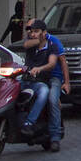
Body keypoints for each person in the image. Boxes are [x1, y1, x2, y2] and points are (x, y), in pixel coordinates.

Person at [22, 18, 67, 151]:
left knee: (52, 99)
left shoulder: (53, 43)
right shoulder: (31, 45)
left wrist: (67, 82)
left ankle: (55, 137)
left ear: (44, 32)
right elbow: (25, 46)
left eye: (36, 31)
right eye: (31, 31)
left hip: (52, 78)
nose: (32, 33)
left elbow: (56, 63)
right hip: (33, 79)